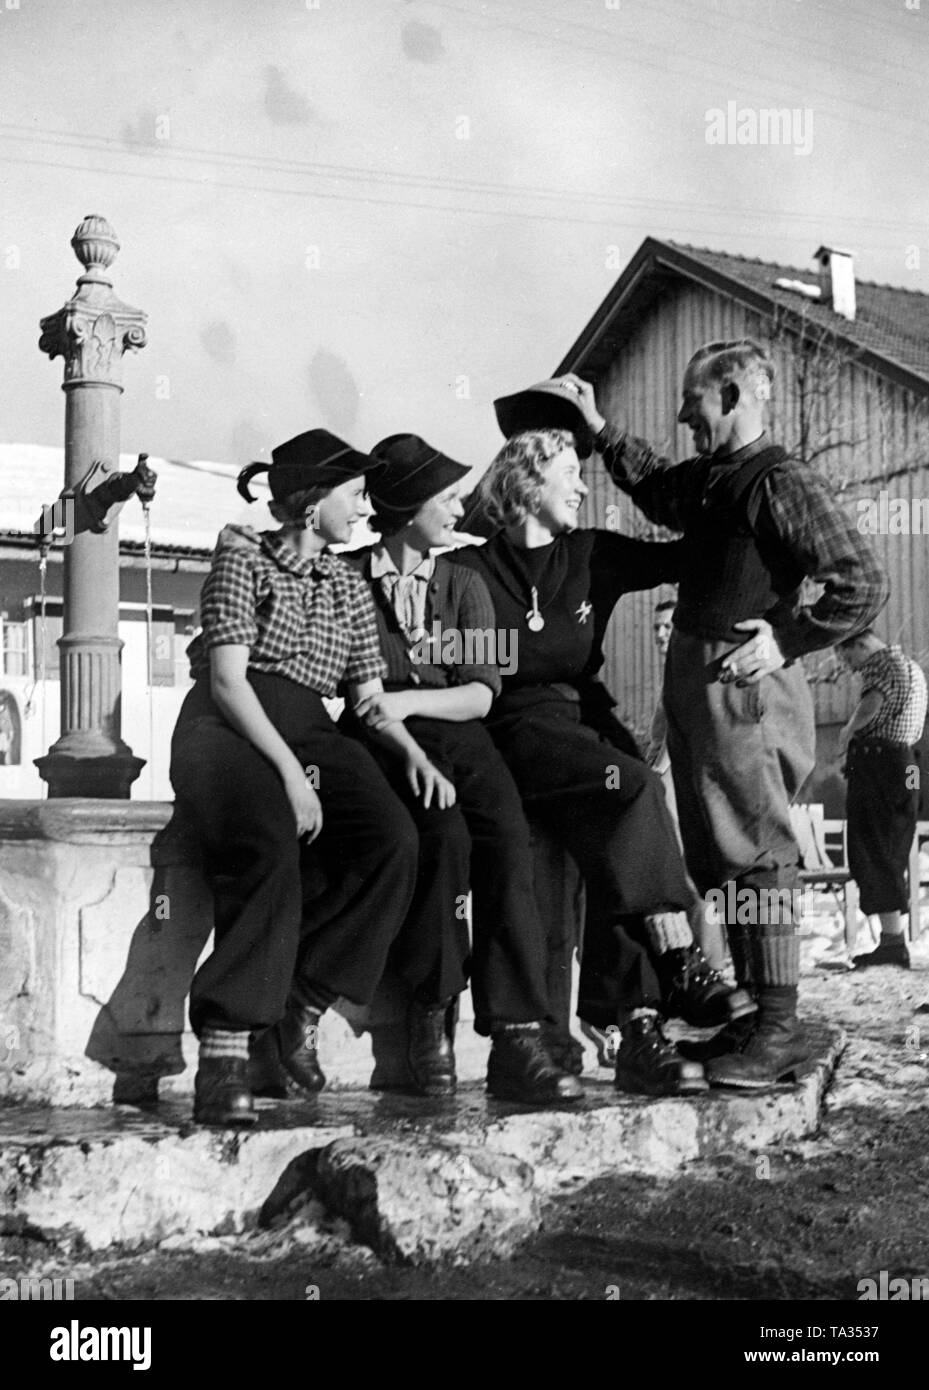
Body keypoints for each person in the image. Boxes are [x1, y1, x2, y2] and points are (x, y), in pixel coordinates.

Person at [559, 338, 890, 1088]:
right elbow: (653, 488)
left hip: (745, 691)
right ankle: (748, 1020)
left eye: (694, 400)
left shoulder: (780, 480)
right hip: (699, 684)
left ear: (734, 396)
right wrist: (599, 426)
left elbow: (860, 580)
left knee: (757, 851)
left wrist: (787, 639)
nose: (681, 414)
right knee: (716, 856)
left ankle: (775, 1029)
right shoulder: (714, 479)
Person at [455, 424, 755, 1098]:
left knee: (614, 836)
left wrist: (736, 495)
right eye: (570, 475)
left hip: (580, 723)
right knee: (634, 787)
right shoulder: (469, 571)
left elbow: (694, 554)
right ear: (529, 485)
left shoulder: (593, 554)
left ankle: (637, 1031)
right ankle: (678, 959)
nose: (584, 488)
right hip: (510, 724)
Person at [171, 429, 449, 1127]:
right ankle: (227, 1049)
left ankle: (301, 995)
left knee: (394, 840)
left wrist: (413, 753)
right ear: (309, 501)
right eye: (352, 494)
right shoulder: (242, 561)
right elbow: (230, 682)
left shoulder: (346, 584)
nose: (361, 508)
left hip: (308, 726)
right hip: (225, 725)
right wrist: (293, 775)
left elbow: (364, 696)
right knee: (268, 834)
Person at [344, 433, 583, 1103]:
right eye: (444, 497)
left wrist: (405, 694)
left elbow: (481, 690)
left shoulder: (464, 584)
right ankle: (432, 1010)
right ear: (407, 505)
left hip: (458, 730)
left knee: (508, 839)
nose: (458, 508)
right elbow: (355, 692)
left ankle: (515, 1033)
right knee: (439, 841)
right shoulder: (348, 579)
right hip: (376, 739)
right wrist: (388, 708)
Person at [836, 630, 927, 968]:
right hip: (908, 766)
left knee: (872, 848)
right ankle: (892, 940)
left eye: (848, 657)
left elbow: (872, 703)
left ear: (860, 644)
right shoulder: (911, 666)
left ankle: (892, 943)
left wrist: (847, 733)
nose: (850, 667)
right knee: (893, 847)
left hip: (879, 765)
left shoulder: (882, 663)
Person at [646, 599, 725, 968]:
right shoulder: (672, 667)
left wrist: (656, 773)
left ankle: (709, 961)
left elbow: (680, 731)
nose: (661, 635)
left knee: (691, 874)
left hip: (680, 780)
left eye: (668, 626)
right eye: (657, 628)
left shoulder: (689, 668)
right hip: (668, 778)